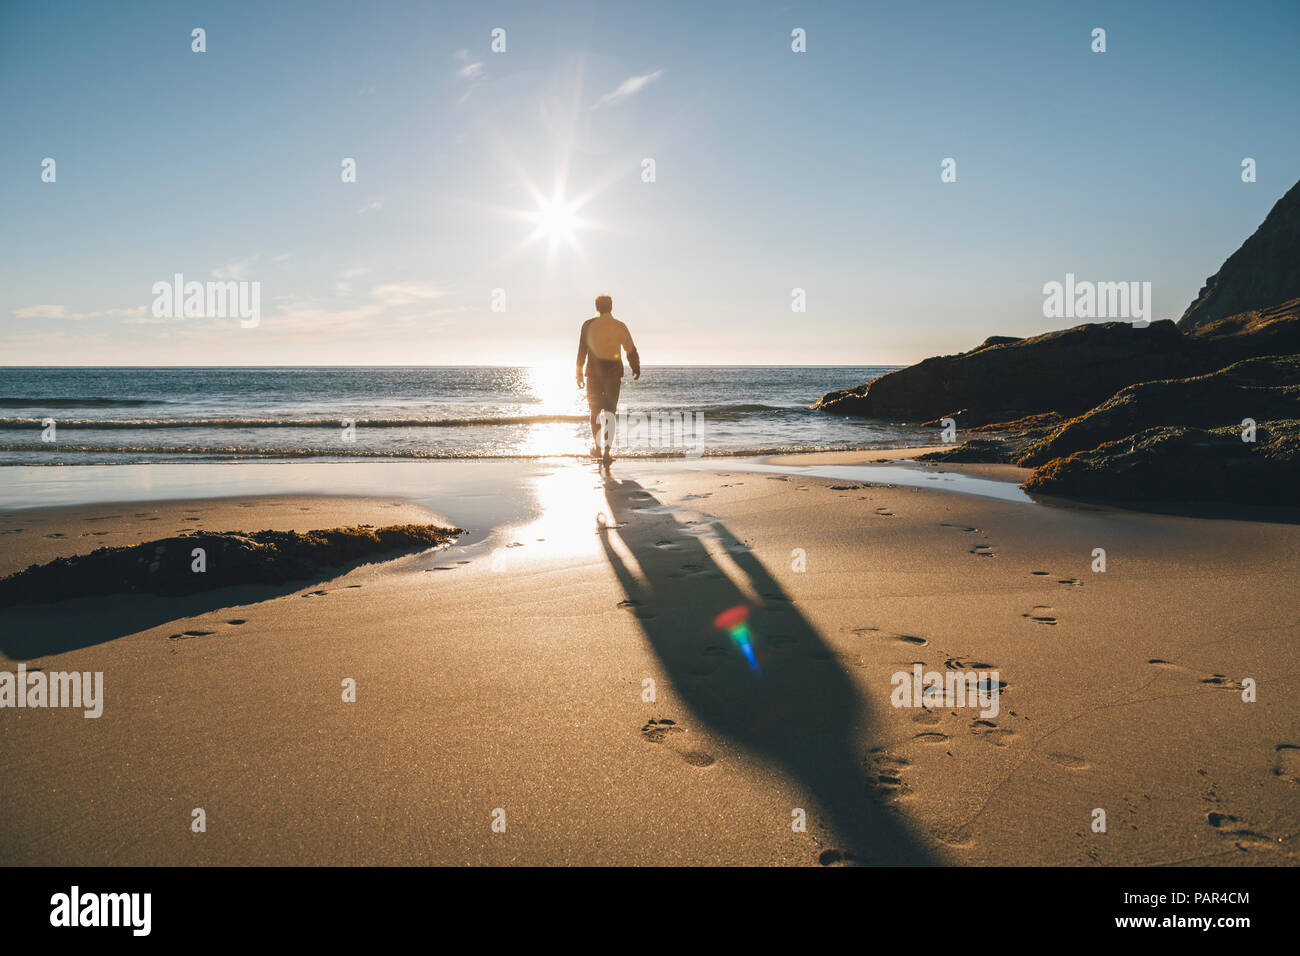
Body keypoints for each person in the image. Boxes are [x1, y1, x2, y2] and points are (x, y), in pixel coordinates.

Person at [575, 294, 640, 460]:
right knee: (610, 412)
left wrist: (578, 374)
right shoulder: (619, 326)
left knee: (595, 412)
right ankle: (607, 453)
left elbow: (582, 350)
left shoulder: (588, 325)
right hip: (612, 375)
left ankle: (598, 448)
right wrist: (635, 366)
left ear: (596, 307)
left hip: (593, 375)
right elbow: (630, 349)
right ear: (611, 307)